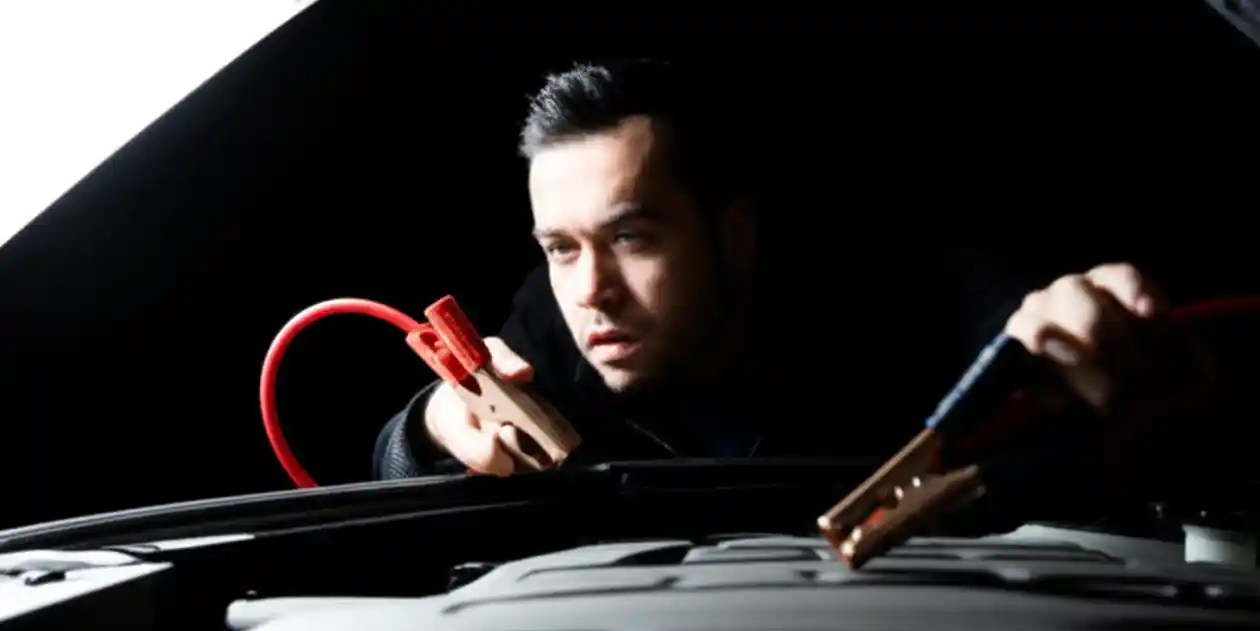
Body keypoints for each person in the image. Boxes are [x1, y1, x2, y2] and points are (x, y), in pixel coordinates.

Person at [371, 59, 1216, 527]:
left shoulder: (887, 288)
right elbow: (395, 461)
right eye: (561, 248)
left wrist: (1085, 329)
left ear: (732, 234)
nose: (592, 291)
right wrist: (429, 429)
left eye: (632, 239)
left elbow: (1012, 323)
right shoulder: (547, 322)